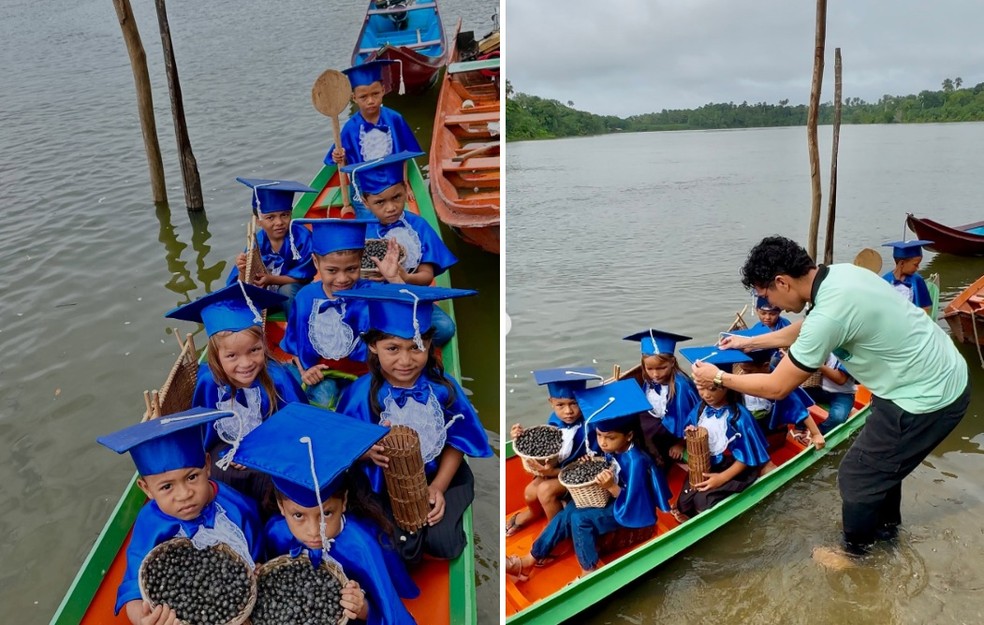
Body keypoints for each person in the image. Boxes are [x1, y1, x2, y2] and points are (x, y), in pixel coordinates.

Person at [695, 235, 969, 568]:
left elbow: (776, 386)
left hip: (926, 397)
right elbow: (807, 328)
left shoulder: (830, 315)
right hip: (933, 374)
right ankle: (886, 531)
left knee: (856, 476)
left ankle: (855, 555)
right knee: (882, 467)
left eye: (767, 294)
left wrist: (719, 377)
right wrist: (750, 342)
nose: (771, 304)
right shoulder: (840, 276)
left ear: (782, 282)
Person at [334, 283, 494, 563]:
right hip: (381, 483)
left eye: (416, 347)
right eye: (392, 348)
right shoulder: (361, 394)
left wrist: (439, 488)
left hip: (437, 473)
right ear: (373, 346)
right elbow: (340, 444)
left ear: (430, 344)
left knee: (444, 545)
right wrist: (365, 450)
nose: (405, 361)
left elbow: (458, 441)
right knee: (404, 551)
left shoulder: (443, 389)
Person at [233, 402, 419, 625]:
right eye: (298, 516)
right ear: (282, 508)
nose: (314, 532)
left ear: (344, 502)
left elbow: (390, 615)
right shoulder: (276, 531)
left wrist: (362, 608)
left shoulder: (360, 547)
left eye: (326, 513)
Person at [96, 407, 263, 625]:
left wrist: (258, 571)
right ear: (146, 489)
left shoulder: (238, 506)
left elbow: (259, 557)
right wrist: (143, 619)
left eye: (192, 477)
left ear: (208, 465)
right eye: (166, 487)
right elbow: (133, 592)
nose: (184, 495)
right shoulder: (150, 523)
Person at [505, 380, 673, 581]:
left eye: (609, 438)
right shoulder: (613, 450)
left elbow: (634, 501)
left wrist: (611, 486)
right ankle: (529, 560)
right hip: (611, 499)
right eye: (600, 436)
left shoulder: (636, 461)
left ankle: (588, 569)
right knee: (569, 512)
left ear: (629, 435)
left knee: (580, 518)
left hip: (628, 510)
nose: (602, 442)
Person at [166, 282, 306, 512]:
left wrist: (254, 452)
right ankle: (235, 515)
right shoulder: (209, 382)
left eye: (254, 350)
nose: (246, 364)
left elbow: (297, 427)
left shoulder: (276, 378)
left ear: (263, 345)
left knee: (273, 478)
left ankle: (272, 515)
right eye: (231, 355)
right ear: (216, 357)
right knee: (219, 476)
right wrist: (233, 452)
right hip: (225, 448)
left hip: (273, 447)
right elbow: (205, 436)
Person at [341, 151, 459, 346]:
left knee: (445, 328)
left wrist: (403, 277)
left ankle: (395, 344)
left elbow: (426, 276)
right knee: (353, 326)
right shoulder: (359, 231)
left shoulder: (418, 226)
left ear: (405, 189)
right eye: (380, 202)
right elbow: (345, 273)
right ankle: (400, 344)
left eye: (396, 197)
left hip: (409, 293)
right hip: (371, 296)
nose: (391, 208)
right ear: (365, 202)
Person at [280, 218, 393, 409]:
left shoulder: (372, 293)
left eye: (351, 269)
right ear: (316, 262)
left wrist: (394, 278)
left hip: (367, 373)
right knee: (324, 399)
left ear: (361, 261)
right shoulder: (305, 298)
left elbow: (403, 314)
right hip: (323, 373)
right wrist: (305, 371)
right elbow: (295, 343)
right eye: (332, 270)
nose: (342, 279)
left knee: (370, 402)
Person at [676, 347, 772, 518]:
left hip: (734, 467)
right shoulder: (700, 409)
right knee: (683, 503)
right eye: (700, 388)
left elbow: (745, 458)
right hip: (707, 464)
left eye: (712, 389)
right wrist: (691, 432)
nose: (706, 395)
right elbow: (689, 427)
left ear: (727, 386)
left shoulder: (739, 417)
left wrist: (721, 478)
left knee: (703, 503)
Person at [506, 367, 598, 536]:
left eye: (574, 403)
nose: (568, 411)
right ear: (551, 402)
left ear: (582, 400)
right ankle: (534, 513)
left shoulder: (591, 426)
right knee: (529, 492)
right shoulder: (554, 421)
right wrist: (521, 435)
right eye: (560, 405)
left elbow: (593, 465)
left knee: (545, 491)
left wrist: (554, 472)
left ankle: (557, 532)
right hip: (555, 470)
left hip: (579, 478)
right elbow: (546, 447)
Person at [327, 60, 423, 218]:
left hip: (393, 181)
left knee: (397, 219)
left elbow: (404, 154)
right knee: (369, 224)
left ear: (383, 90)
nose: (370, 101)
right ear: (354, 98)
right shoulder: (350, 127)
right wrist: (338, 156)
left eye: (375, 94)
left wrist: (406, 184)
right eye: (363, 97)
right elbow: (343, 160)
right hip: (365, 185)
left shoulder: (395, 118)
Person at [225, 178, 317, 316]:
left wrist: (272, 280)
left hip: (294, 294)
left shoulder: (302, 237)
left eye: (284, 215)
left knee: (287, 290)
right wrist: (242, 270)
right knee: (232, 302)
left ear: (291, 214)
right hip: (268, 297)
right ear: (258, 221)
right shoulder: (256, 242)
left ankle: (297, 331)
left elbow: (304, 276)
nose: (279, 222)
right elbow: (241, 285)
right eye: (270, 217)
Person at [728, 326, 824, 453]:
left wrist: (816, 434)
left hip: (769, 428)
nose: (744, 374)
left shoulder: (777, 385)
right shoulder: (744, 378)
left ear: (765, 366)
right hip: (750, 423)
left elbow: (800, 409)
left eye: (748, 371)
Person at [622, 329, 699, 467]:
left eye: (661, 368)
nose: (655, 374)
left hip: (674, 430)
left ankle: (656, 463)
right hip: (656, 418)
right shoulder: (649, 379)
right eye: (650, 369)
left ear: (672, 362)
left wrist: (681, 443)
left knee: (649, 440)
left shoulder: (681, 386)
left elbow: (692, 419)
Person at [881, 239, 935, 314]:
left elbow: (926, 307)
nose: (917, 268)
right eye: (915, 265)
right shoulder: (884, 281)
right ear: (902, 263)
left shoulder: (918, 280)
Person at [815, 353, 857, 434]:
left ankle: (819, 432)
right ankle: (800, 428)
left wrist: (818, 364)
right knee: (796, 394)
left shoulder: (850, 353)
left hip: (843, 393)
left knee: (838, 418)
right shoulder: (824, 344)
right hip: (817, 388)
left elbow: (840, 379)